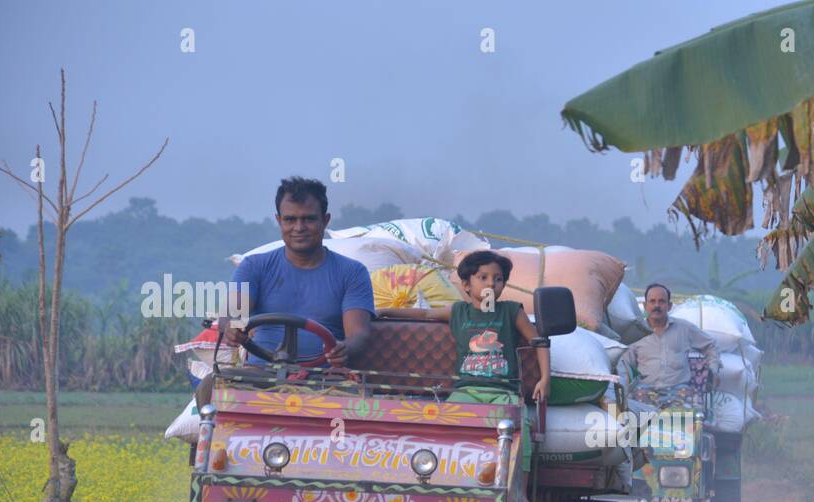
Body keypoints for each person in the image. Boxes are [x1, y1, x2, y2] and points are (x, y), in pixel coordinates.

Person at [195, 176, 375, 408]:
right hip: (262, 376)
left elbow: (359, 335)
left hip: (325, 380)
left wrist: (344, 348)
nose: (299, 228)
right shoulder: (254, 267)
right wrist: (233, 327)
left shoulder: (352, 273)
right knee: (210, 386)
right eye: (290, 219)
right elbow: (233, 314)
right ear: (279, 221)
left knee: (361, 405)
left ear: (325, 221)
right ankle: (213, 443)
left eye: (308, 219)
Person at [378, 250, 549, 472]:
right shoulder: (459, 311)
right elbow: (426, 315)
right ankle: (439, 477)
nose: (492, 284)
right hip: (467, 391)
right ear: (466, 285)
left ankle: (521, 494)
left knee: (519, 433)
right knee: (443, 428)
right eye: (483, 278)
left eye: (498, 279)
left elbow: (539, 341)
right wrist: (383, 311)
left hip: (503, 392)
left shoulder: (511, 311)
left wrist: (545, 379)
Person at [619, 283, 720, 408]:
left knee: (694, 415)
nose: (657, 306)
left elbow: (710, 345)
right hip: (644, 391)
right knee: (636, 419)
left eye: (661, 301)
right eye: (652, 301)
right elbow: (626, 366)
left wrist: (713, 370)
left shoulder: (684, 328)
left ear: (669, 306)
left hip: (679, 391)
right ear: (645, 306)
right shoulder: (635, 332)